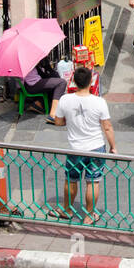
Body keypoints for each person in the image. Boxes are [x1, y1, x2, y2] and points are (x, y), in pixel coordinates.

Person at [55, 65, 116, 222]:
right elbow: (107, 127)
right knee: (93, 181)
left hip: (75, 148)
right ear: (91, 82)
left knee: (71, 179)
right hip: (96, 147)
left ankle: (67, 209)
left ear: (74, 82)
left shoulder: (65, 99)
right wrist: (113, 146)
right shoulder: (99, 102)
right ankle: (89, 215)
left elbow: (58, 121)